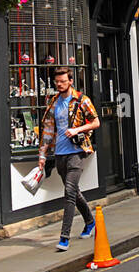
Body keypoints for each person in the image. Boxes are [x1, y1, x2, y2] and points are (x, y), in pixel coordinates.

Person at [36, 66, 101, 251]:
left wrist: (77, 129)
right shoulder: (54, 102)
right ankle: (90, 221)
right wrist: (42, 155)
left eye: (63, 81)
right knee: (73, 191)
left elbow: (96, 122)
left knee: (69, 193)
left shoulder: (81, 100)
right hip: (60, 154)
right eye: (57, 81)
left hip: (77, 152)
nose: (59, 84)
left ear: (71, 81)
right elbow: (48, 130)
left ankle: (64, 238)